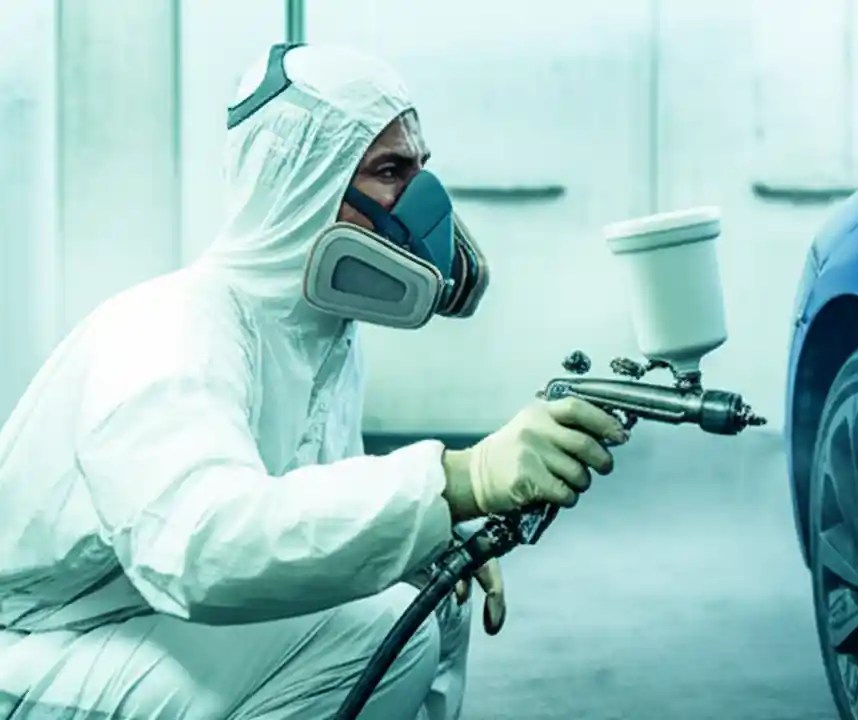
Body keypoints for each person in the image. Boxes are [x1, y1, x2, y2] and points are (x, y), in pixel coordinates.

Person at [0, 43, 627, 719]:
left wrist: (420, 538)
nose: (423, 205)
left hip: (139, 620)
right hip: (48, 643)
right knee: (379, 631)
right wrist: (457, 480)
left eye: (422, 170)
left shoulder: (318, 338)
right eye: (392, 171)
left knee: (429, 597)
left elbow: (302, 504)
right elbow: (202, 545)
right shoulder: (170, 328)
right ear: (305, 182)